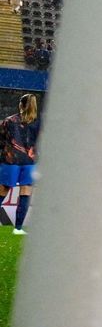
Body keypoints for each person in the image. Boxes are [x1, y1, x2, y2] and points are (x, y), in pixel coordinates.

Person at [0, 94, 40, 235]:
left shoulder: (9, 121)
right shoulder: (38, 122)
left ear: (21, 104)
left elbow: (1, 140)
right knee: (25, 193)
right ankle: (18, 229)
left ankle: (17, 228)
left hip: (11, 161)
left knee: (2, 191)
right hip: (29, 163)